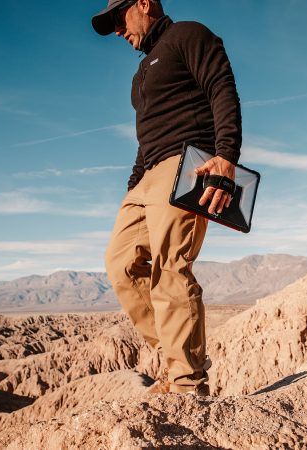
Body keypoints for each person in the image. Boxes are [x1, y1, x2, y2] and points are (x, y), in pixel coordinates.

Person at [92, 0, 242, 396]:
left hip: (186, 167)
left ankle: (186, 381)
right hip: (146, 178)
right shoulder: (142, 71)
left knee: (170, 268)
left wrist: (226, 156)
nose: (117, 32)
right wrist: (132, 187)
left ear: (144, 3)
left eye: (117, 19)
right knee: (121, 264)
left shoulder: (188, 34)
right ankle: (176, 356)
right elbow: (146, 139)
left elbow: (221, 87)